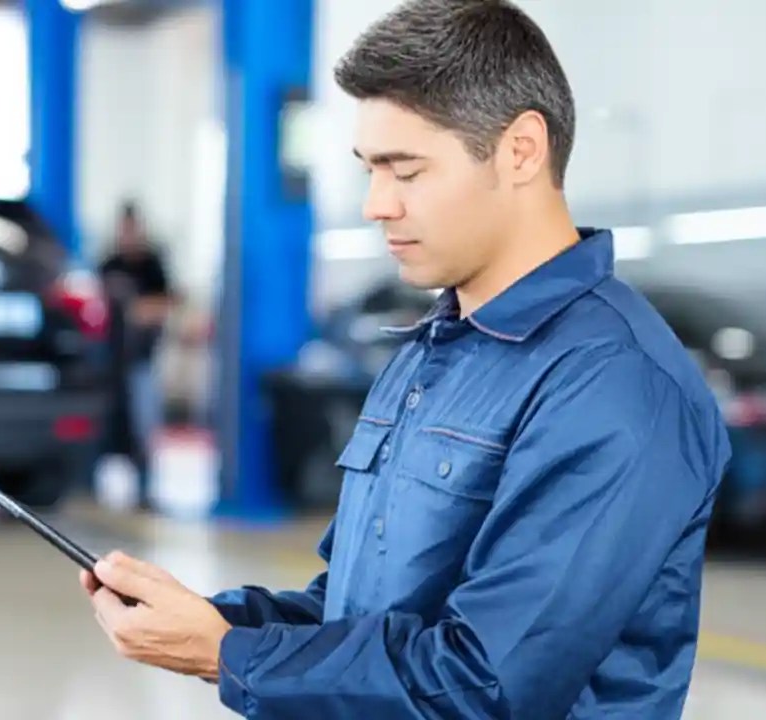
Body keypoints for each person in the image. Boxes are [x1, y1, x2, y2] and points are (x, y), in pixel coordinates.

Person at [78, 1, 731, 717]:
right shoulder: (437, 350)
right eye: (369, 171)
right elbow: (357, 614)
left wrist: (228, 655)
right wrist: (215, 622)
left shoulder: (612, 384)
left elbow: (485, 684)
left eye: (406, 172)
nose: (374, 204)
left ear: (520, 150)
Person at [98, 201, 174, 507]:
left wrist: (140, 311)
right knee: (107, 427)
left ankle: (146, 488)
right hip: (109, 364)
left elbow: (166, 303)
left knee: (144, 426)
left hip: (142, 361)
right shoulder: (109, 264)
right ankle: (93, 486)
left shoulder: (151, 265)